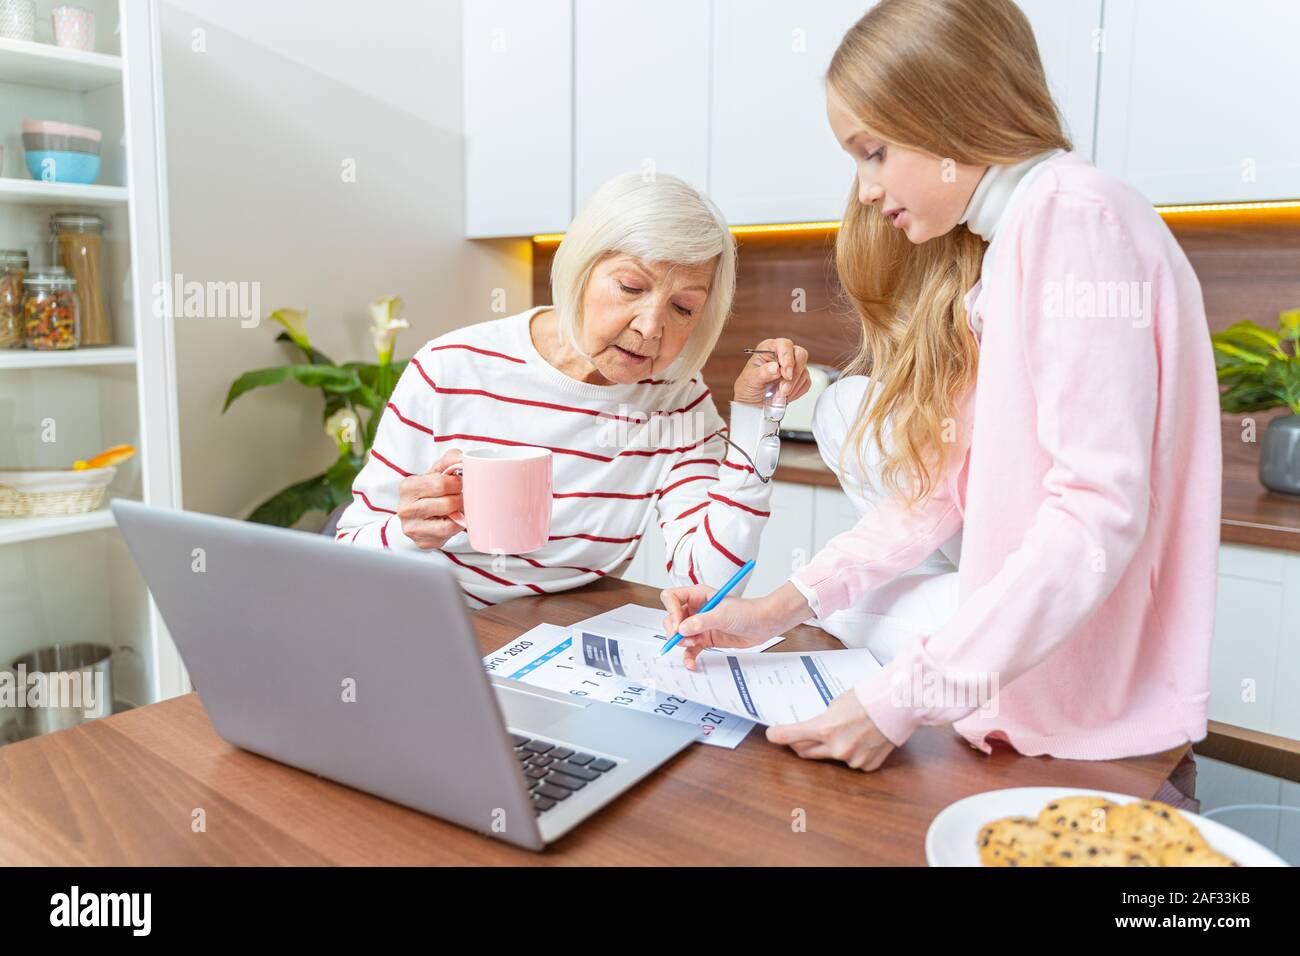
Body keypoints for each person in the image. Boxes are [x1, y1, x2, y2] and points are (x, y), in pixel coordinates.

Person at [661, 0, 1221, 770]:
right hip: (1032, 701)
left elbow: (1095, 515)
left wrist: (896, 704)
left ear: (951, 111)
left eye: (874, 151)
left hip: (1083, 723)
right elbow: (940, 493)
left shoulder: (1073, 218)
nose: (863, 188)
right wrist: (772, 612)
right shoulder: (1019, 240)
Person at [335, 171, 810, 606]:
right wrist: (406, 531)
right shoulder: (450, 368)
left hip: (561, 639)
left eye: (683, 309)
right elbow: (349, 553)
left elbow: (711, 583)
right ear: (582, 268)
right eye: (630, 287)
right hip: (434, 624)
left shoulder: (676, 403)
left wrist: (753, 418)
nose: (650, 327)